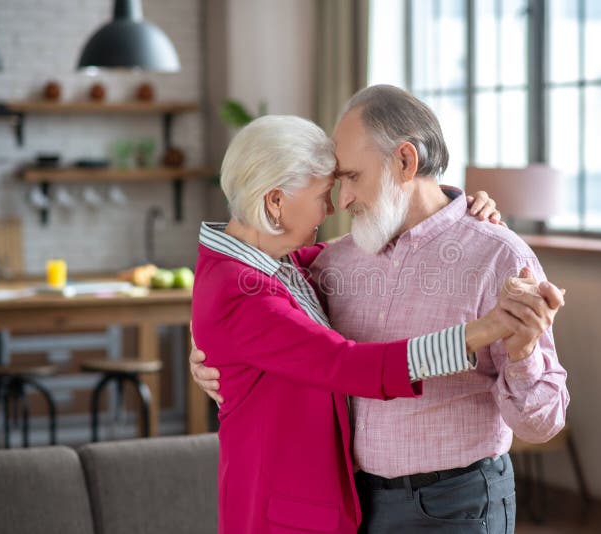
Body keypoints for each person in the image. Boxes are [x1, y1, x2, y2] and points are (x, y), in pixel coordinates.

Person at [191, 114, 566, 534]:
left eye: (350, 179)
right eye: (326, 193)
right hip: (284, 511)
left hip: (446, 503)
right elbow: (349, 365)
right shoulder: (240, 289)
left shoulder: (275, 265)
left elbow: (339, 256)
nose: (335, 206)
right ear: (275, 202)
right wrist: (487, 328)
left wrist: (454, 214)